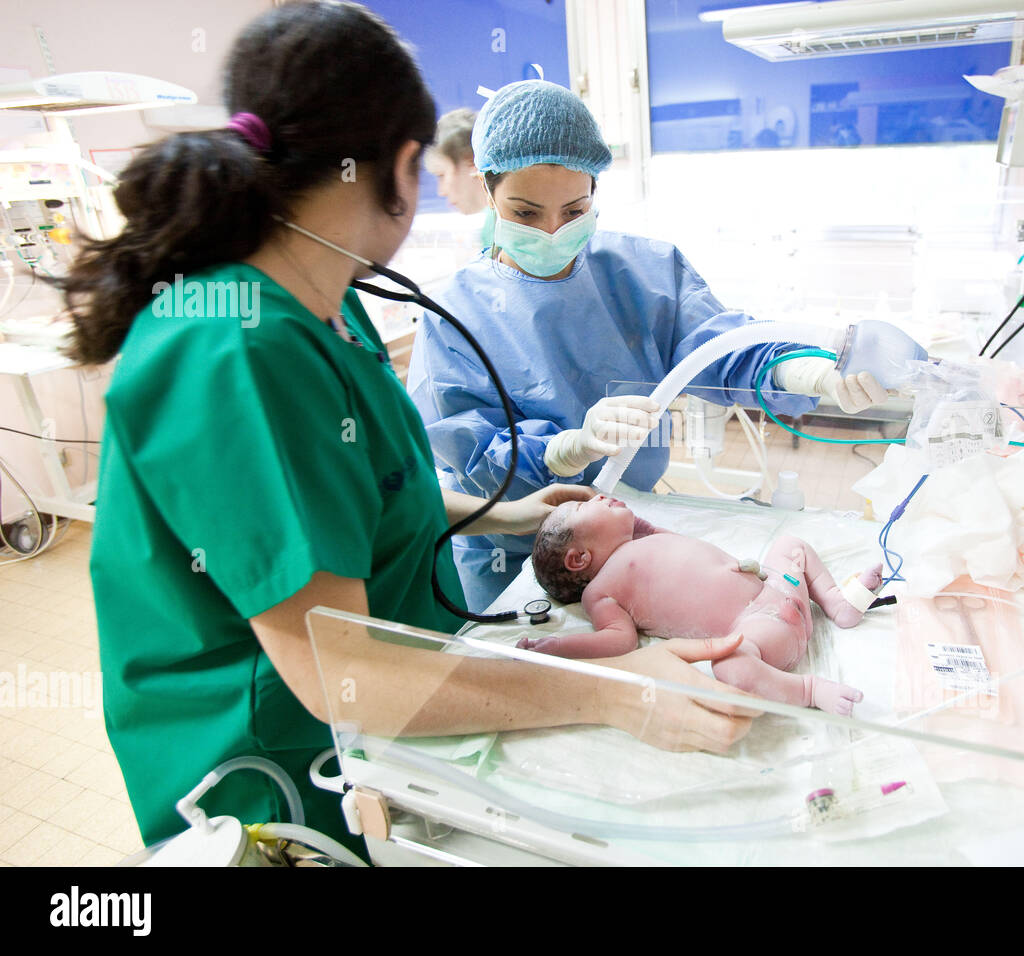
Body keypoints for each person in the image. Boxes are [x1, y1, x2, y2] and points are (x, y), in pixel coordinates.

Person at [58, 1, 757, 856]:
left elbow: (365, 487)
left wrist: (512, 512)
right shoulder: (237, 352)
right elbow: (339, 671)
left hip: (393, 714)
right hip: (273, 768)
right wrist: (615, 690)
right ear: (398, 165)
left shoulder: (329, 304)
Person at [408, 79, 895, 613]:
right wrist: (566, 448)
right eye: (525, 213)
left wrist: (809, 373)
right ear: (488, 189)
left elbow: (724, 349)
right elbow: (472, 448)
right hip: (512, 553)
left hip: (626, 531)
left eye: (573, 212)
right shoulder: (452, 312)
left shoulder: (643, 273)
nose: (551, 232)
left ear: (595, 190)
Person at [525, 494, 885, 715]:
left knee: (792, 544)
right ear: (578, 559)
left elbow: (677, 543)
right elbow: (619, 640)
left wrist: (637, 526)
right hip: (758, 628)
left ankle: (839, 605)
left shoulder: (641, 540)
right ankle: (808, 691)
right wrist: (559, 646)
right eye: (582, 507)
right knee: (729, 665)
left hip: (778, 587)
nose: (597, 497)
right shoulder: (600, 592)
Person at [426, 108, 494, 250]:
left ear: (472, 161)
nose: (441, 192)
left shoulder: (500, 229)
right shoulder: (496, 224)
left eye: (442, 175)